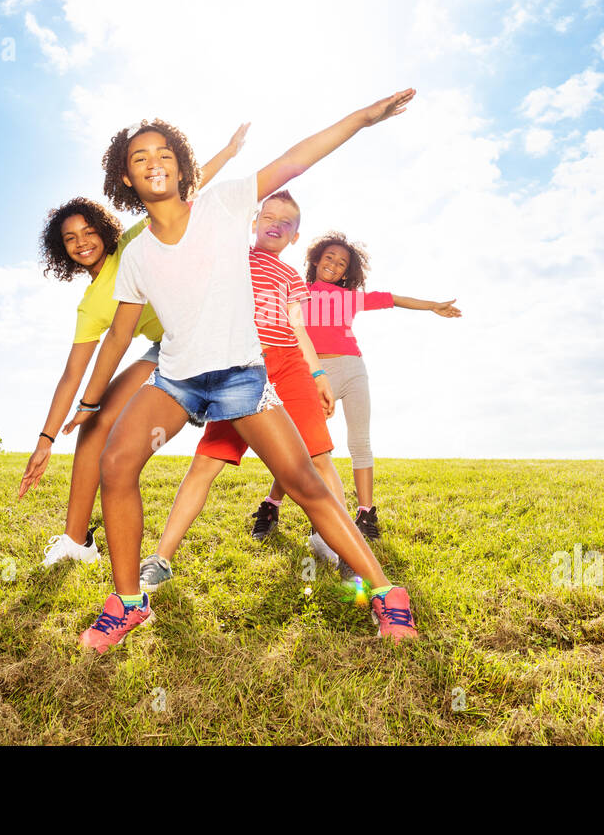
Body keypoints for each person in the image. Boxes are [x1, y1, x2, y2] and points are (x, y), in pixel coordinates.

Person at [65, 89, 421, 651]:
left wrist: (362, 118)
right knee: (116, 460)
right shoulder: (134, 256)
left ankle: (384, 593)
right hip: (177, 379)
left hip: (238, 376)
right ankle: (129, 603)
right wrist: (89, 402)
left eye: (164, 152)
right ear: (126, 179)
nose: (153, 161)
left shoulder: (224, 204)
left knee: (305, 483)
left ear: (183, 166)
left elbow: (296, 157)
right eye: (139, 158)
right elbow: (120, 332)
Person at [17, 125, 249, 566]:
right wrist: (46, 439)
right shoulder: (90, 307)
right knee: (93, 424)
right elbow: (73, 373)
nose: (82, 242)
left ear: (105, 230)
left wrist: (229, 152)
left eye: (88, 231)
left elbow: (187, 186)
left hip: (213, 339)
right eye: (70, 239)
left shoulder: (131, 245)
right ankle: (76, 542)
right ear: (61, 250)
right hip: (165, 350)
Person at [137, 189, 347, 594]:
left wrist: (318, 374)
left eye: (286, 223)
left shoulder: (289, 277)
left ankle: (337, 549)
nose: (275, 225)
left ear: (295, 237)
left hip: (288, 366)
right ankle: (161, 559)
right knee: (204, 465)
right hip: (239, 371)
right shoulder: (230, 259)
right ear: (253, 222)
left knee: (318, 458)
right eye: (268, 216)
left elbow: (298, 327)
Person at [260, 232, 460, 556]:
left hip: (352, 368)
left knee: (360, 441)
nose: (335, 265)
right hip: (312, 373)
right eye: (330, 258)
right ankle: (272, 505)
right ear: (315, 260)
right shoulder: (297, 292)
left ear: (345, 272)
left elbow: (393, 299)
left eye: (341, 264)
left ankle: (365, 514)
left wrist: (433, 306)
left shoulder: (351, 298)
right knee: (304, 446)